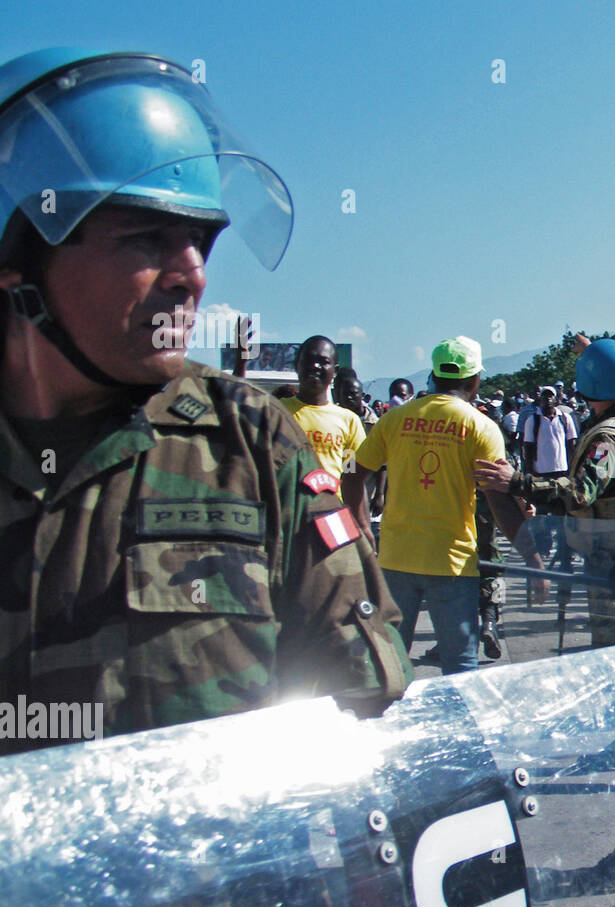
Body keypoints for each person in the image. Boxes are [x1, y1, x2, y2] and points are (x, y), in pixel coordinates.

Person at [0, 48, 409, 752]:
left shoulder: (250, 440)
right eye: (146, 237)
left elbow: (364, 697)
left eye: (200, 241)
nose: (193, 276)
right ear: (19, 261)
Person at [344, 336, 517, 674]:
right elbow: (497, 499)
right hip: (452, 563)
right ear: (474, 381)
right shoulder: (481, 427)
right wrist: (530, 551)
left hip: (395, 558)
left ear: (434, 375)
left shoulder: (394, 419)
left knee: (388, 663)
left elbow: (351, 474)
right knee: (460, 666)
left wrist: (362, 527)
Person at [474, 338, 615, 649]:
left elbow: (580, 492)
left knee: (610, 645)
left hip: (611, 557)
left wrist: (517, 482)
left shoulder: (607, 437)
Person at [281, 336, 365, 481]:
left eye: (324, 362)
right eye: (309, 360)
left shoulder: (349, 421)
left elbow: (351, 472)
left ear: (335, 371)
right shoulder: (277, 411)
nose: (315, 366)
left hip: (332, 496)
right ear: (296, 365)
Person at [522, 385, 577, 478]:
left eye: (551, 396)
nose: (548, 398)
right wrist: (529, 472)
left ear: (555, 399)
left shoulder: (565, 418)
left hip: (562, 469)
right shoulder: (532, 420)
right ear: (540, 399)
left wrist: (572, 467)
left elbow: (571, 444)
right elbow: (528, 447)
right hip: (541, 470)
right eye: (544, 396)